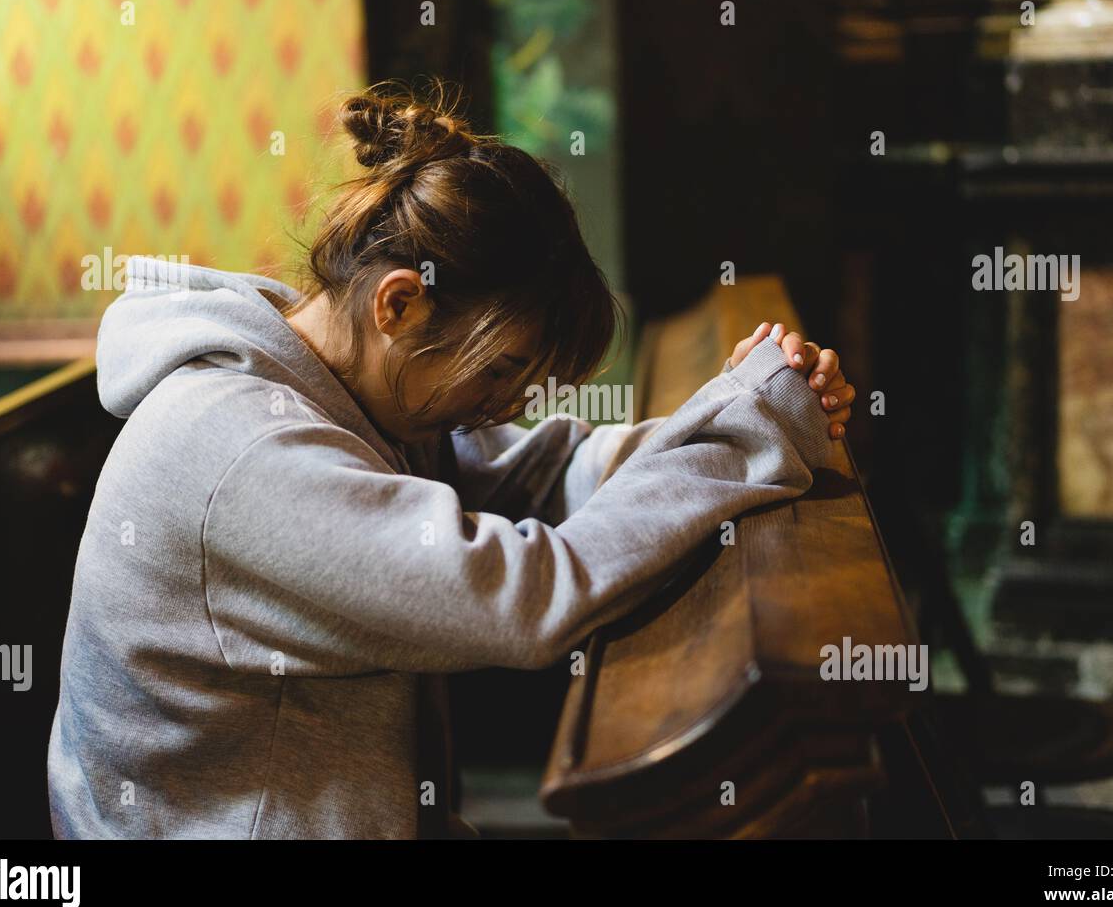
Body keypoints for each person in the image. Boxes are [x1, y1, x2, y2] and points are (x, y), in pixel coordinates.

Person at [47, 81, 857, 839]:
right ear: (400, 302)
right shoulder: (241, 450)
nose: (508, 404)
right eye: (500, 369)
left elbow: (550, 470)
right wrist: (746, 436)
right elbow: (527, 597)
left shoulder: (350, 386)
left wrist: (733, 413)